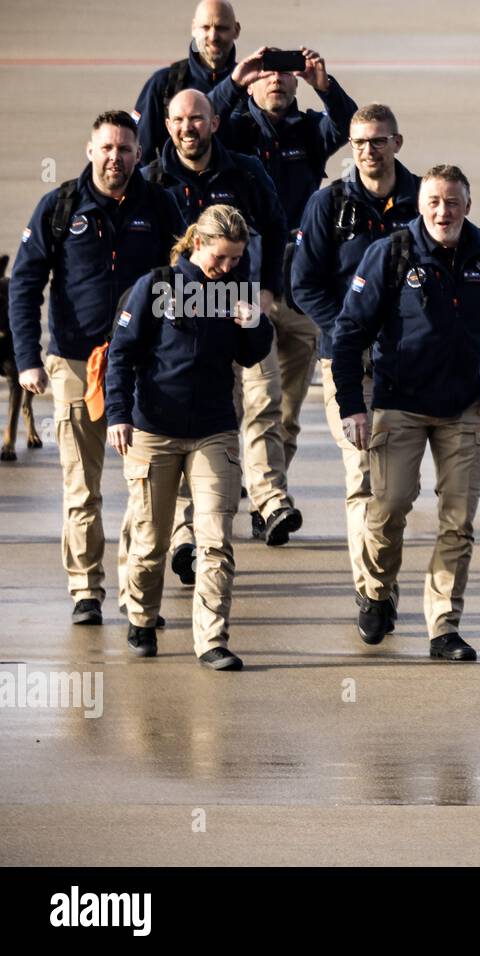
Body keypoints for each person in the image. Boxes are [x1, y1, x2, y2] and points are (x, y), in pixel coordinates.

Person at [8, 110, 184, 625]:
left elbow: (185, 274)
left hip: (142, 364)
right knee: (82, 486)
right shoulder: (59, 207)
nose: (116, 158)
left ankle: (135, 585)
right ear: (90, 151)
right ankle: (86, 588)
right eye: (107, 148)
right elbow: (24, 284)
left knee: (143, 485)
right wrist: (27, 359)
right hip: (74, 365)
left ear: (138, 154)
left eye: (126, 149)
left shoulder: (159, 204)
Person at [332, 165, 480, 657]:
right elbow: (349, 334)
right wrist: (353, 406)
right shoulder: (390, 253)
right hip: (400, 403)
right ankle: (375, 590)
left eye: (453, 201)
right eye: (433, 201)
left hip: (465, 410)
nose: (443, 211)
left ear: (467, 205)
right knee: (387, 510)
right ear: (419, 204)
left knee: (458, 522)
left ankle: (443, 626)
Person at [134, 88, 294, 585]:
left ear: (214, 123)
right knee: (191, 418)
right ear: (168, 124)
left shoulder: (244, 171)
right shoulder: (153, 180)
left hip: (241, 305)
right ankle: (185, 535)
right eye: (180, 119)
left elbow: (276, 224)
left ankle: (268, 499)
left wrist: (268, 292)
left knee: (265, 399)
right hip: (180, 316)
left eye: (198, 119)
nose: (189, 128)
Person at [106, 204, 271, 670]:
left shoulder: (234, 291)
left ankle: (212, 640)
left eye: (236, 260)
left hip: (213, 431)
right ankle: (141, 617)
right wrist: (118, 414)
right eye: (221, 258)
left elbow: (253, 353)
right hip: (153, 430)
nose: (227, 268)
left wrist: (255, 321)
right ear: (197, 243)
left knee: (216, 539)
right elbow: (121, 355)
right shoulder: (156, 287)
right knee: (151, 537)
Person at [221, 47, 358, 530]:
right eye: (267, 73)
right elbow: (193, 129)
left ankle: (265, 499)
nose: (276, 80)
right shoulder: (234, 130)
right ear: (254, 84)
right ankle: (266, 496)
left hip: (299, 292)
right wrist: (234, 82)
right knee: (252, 401)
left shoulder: (309, 133)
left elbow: (351, 126)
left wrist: (325, 83)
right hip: (243, 291)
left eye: (285, 73)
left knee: (286, 412)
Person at [291, 103, 419, 598]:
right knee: (362, 475)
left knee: (398, 490)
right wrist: (348, 334)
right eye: (360, 142)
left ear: (397, 144)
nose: (368, 150)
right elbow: (304, 285)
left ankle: (381, 571)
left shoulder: (422, 202)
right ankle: (372, 592)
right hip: (349, 364)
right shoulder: (328, 205)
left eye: (379, 141)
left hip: (410, 364)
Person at [131, 0, 250, 164]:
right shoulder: (164, 85)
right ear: (194, 28)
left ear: (236, 30)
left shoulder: (251, 86)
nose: (213, 36)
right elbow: (137, 151)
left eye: (222, 28)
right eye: (205, 27)